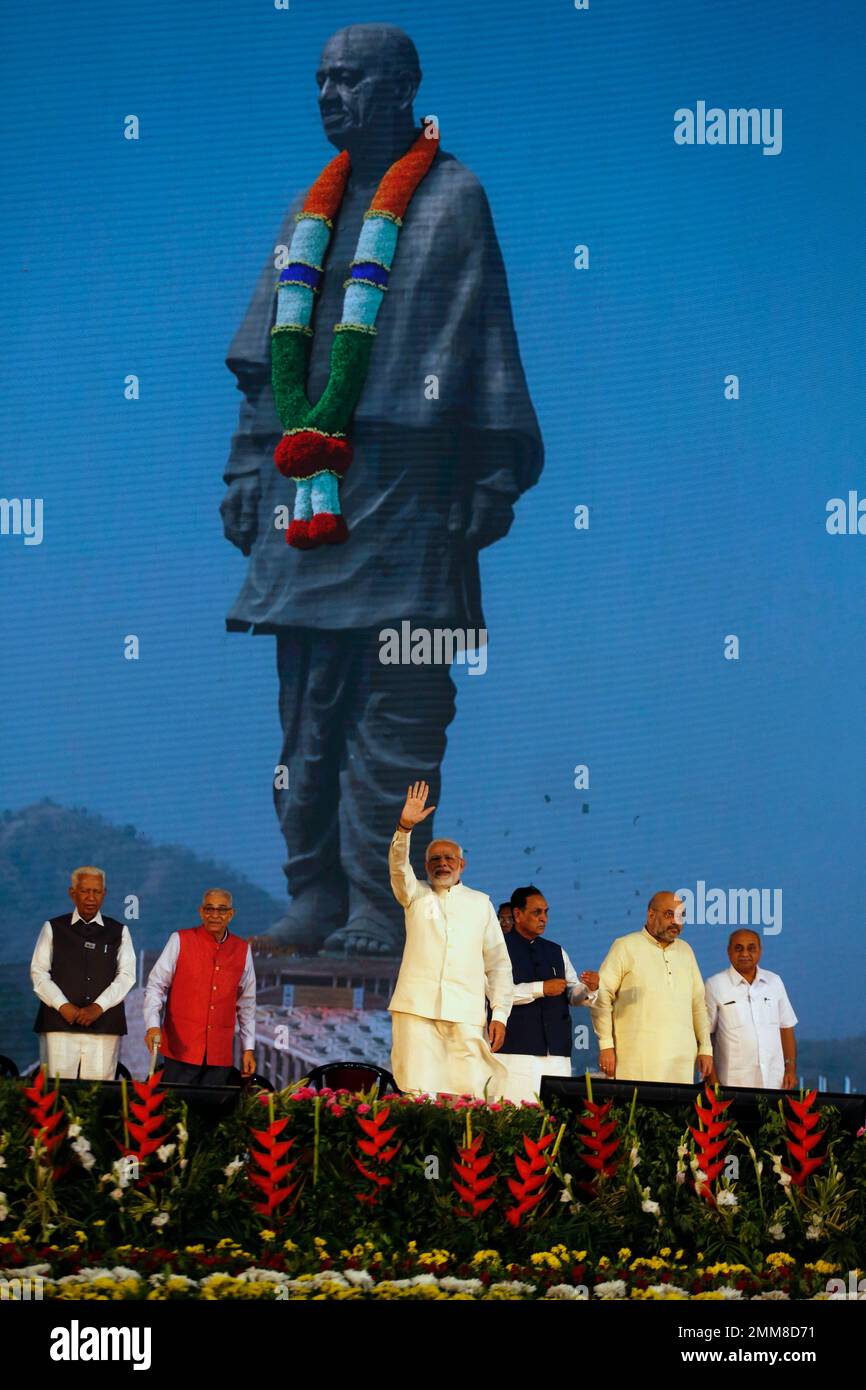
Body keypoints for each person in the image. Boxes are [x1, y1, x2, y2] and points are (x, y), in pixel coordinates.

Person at [221, 24, 543, 956]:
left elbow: (482, 339)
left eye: (351, 80)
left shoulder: (453, 200)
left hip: (412, 495)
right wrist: (248, 469)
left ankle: (380, 901)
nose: (331, 96)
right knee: (308, 712)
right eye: (321, 80)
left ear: (403, 88)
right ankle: (314, 893)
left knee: (399, 710)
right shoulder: (307, 212)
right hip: (307, 491)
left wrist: (489, 472)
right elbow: (264, 371)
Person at [387, 781, 513, 1097]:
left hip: (466, 1012)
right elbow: (398, 869)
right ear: (426, 867)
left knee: (473, 1092)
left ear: (461, 865)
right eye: (435, 860)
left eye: (449, 859)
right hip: (417, 1009)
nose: (442, 864)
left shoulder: (480, 902)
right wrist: (404, 828)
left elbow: (498, 965)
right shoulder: (414, 894)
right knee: (417, 1091)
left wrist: (499, 1014)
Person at [592, 892, 713, 1085]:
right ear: (650, 915)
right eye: (669, 914)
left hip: (680, 1064)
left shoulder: (686, 951)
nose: (676, 922)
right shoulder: (625, 946)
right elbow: (601, 995)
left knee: (677, 1115)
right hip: (636, 1062)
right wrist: (606, 1045)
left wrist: (705, 1048)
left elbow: (698, 1004)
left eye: (681, 916)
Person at [30, 866, 136, 1081]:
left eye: (96, 892)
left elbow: (127, 976)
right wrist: (62, 1005)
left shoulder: (119, 930)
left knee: (98, 1095)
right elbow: (39, 972)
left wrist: (98, 1007)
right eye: (85, 891)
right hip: (58, 1024)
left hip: (104, 1025)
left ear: (104, 894)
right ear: (72, 893)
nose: (90, 897)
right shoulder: (53, 927)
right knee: (56, 1093)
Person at [497, 885, 599, 1103]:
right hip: (513, 1052)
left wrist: (588, 988)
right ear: (517, 914)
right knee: (513, 1119)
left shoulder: (556, 951)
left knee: (553, 1119)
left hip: (556, 1054)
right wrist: (541, 988)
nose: (543, 918)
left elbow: (572, 994)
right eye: (536, 912)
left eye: (546, 912)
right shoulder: (498, 949)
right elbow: (496, 993)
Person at [144, 889, 256, 1086]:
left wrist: (248, 1049)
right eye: (209, 909)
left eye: (221, 910)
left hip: (219, 1054)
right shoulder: (180, 939)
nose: (214, 915)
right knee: (176, 1112)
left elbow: (247, 1003)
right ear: (201, 912)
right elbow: (155, 985)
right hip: (180, 1049)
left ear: (231, 914)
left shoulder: (242, 949)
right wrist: (152, 1026)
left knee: (210, 1114)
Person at [705, 929, 798, 1090]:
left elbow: (786, 1027)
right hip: (732, 1083)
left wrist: (790, 1068)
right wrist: (712, 1081)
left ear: (760, 951)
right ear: (729, 952)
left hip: (774, 1081)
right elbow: (705, 1037)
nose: (745, 954)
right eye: (739, 948)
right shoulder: (715, 985)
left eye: (751, 948)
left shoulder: (774, 982)